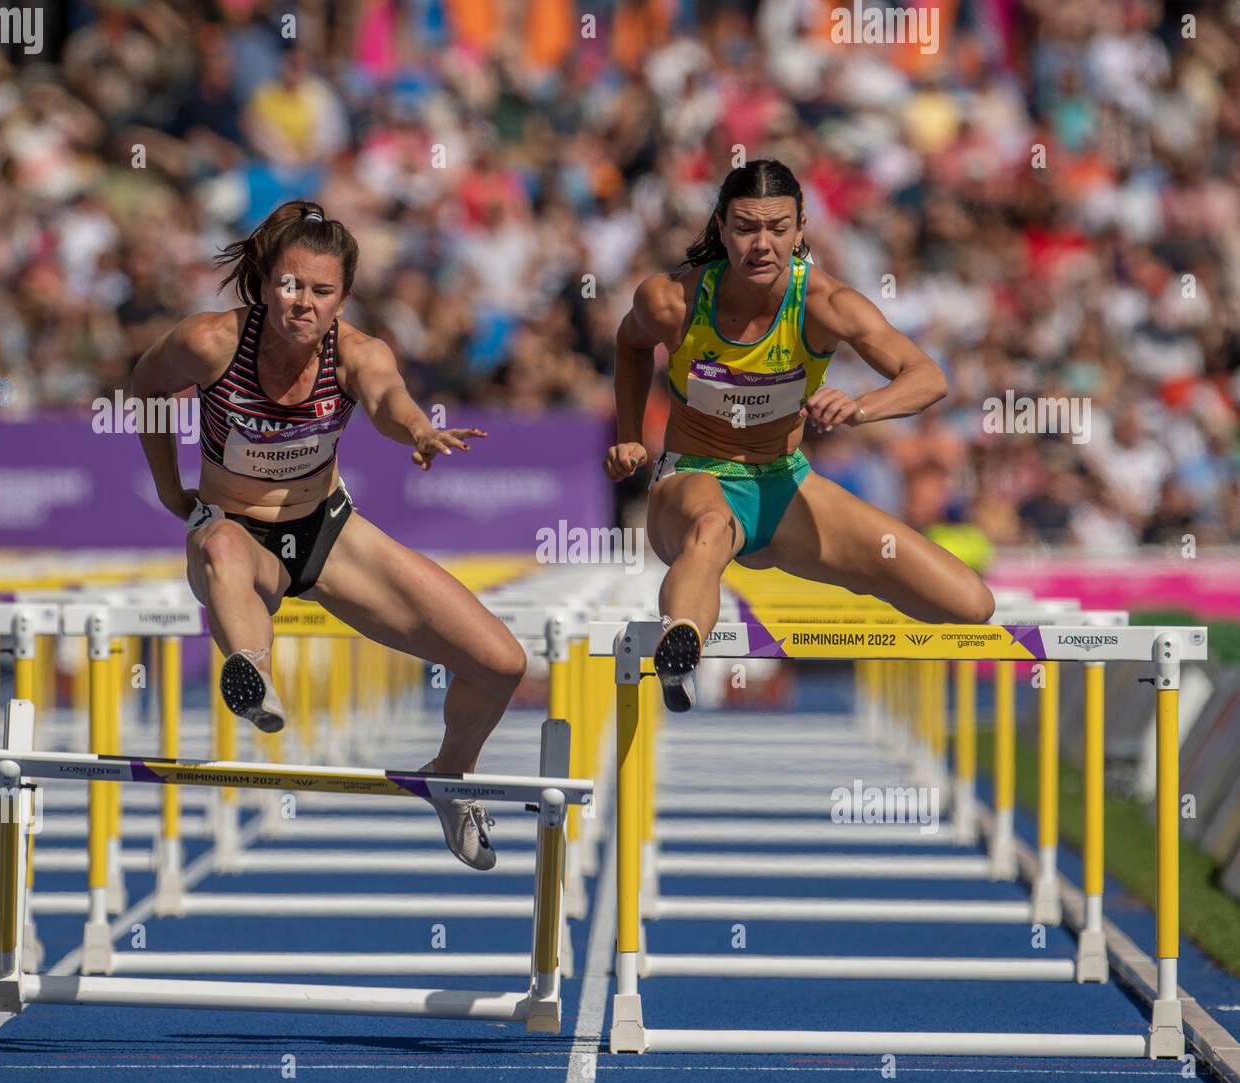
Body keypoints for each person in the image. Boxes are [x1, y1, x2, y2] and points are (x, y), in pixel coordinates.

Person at [132, 199, 528, 868]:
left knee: (501, 664)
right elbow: (145, 386)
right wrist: (172, 490)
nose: (302, 303)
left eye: (321, 291)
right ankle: (252, 675)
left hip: (327, 533)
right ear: (265, 285)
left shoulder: (357, 352)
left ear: (342, 298)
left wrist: (420, 430)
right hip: (233, 531)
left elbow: (387, 399)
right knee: (225, 550)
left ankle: (450, 777)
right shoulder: (210, 342)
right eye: (290, 285)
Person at [604, 159, 996, 711]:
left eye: (777, 228)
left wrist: (862, 407)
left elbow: (928, 376)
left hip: (785, 487)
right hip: (694, 479)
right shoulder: (673, 300)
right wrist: (628, 434)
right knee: (712, 530)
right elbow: (630, 343)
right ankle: (680, 647)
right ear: (720, 227)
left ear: (801, 227)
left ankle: (857, 579)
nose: (761, 244)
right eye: (745, 227)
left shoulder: (824, 304)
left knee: (970, 602)